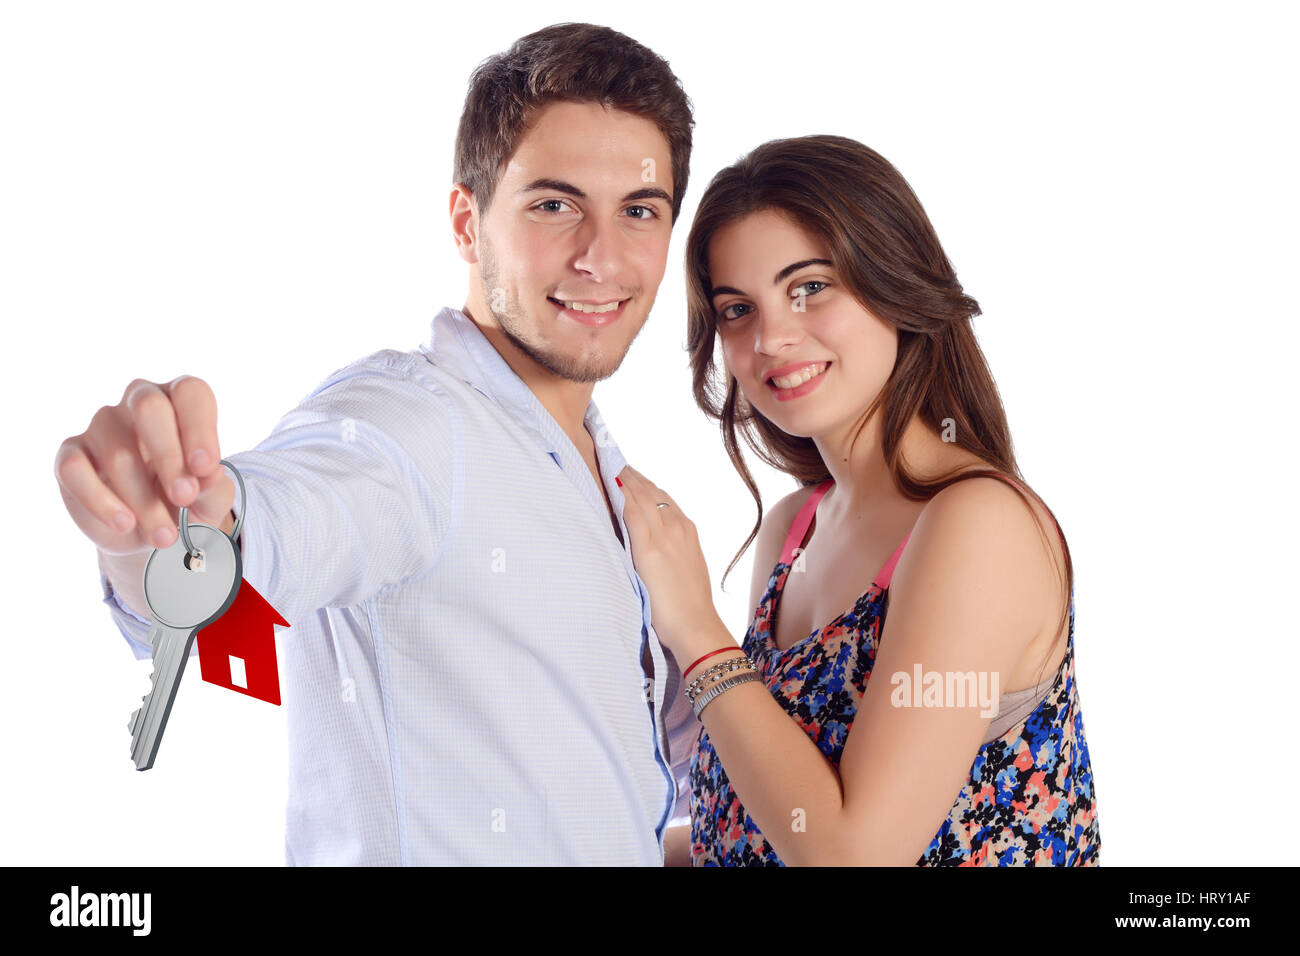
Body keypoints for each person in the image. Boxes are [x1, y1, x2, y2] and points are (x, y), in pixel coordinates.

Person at [55, 23, 702, 865]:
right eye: (554, 205)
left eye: (639, 211)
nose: (602, 259)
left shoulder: (619, 488)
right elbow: (267, 528)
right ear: (467, 224)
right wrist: (157, 528)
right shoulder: (412, 425)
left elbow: (618, 790)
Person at [620, 135, 1101, 865]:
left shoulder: (980, 525)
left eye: (810, 287)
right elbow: (753, 829)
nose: (772, 337)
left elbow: (853, 853)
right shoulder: (795, 531)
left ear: (893, 281)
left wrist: (694, 627)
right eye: (738, 308)